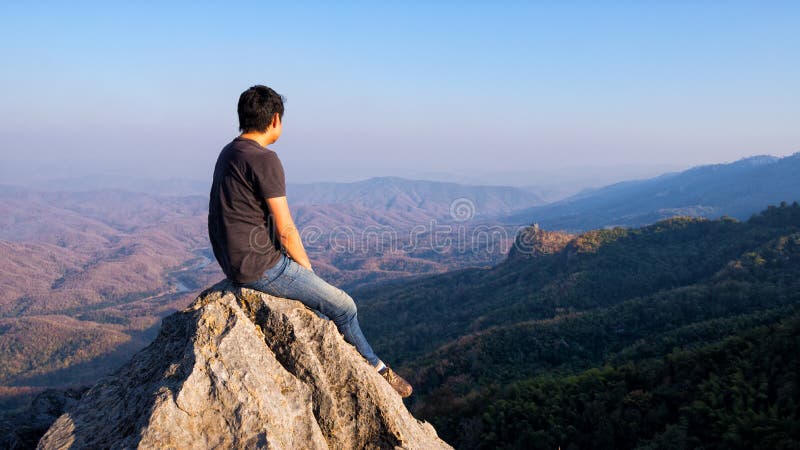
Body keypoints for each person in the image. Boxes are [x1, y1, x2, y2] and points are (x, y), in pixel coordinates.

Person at [208, 85, 412, 397]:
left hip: (234, 260)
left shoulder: (230, 151)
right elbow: (286, 228)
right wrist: (307, 273)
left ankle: (344, 362)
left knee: (318, 313)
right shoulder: (264, 159)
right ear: (275, 119)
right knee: (344, 306)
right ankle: (377, 368)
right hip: (259, 265)